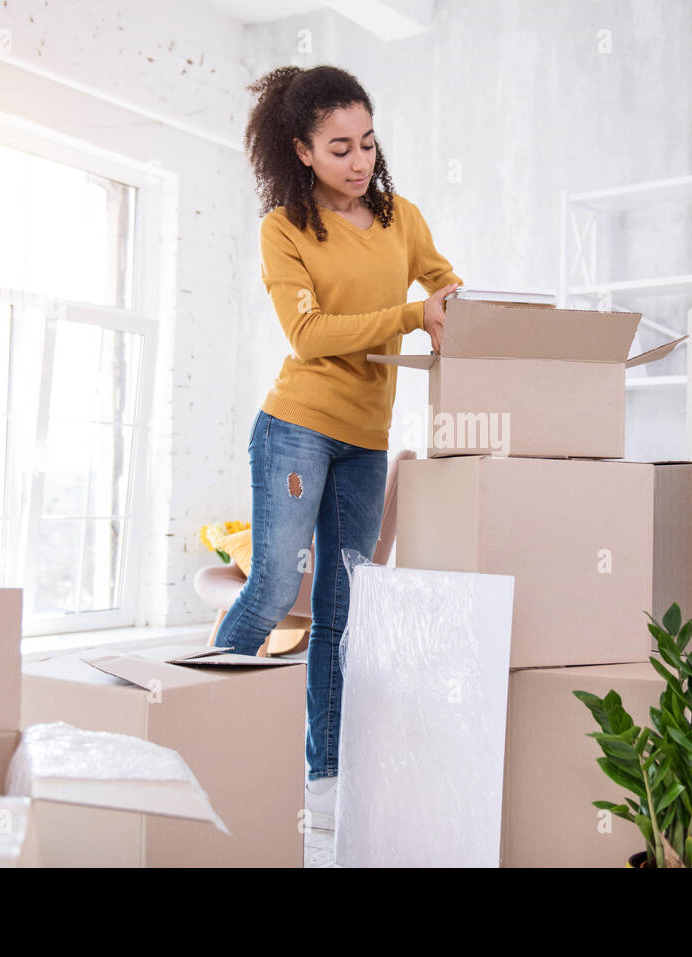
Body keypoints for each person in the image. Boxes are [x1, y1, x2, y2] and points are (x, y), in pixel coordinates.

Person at [217, 64, 463, 831]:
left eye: (367, 143)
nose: (359, 162)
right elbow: (309, 334)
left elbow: (448, 292)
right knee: (270, 590)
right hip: (296, 426)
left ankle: (322, 779)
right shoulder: (283, 231)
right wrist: (411, 315)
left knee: (342, 607)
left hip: (365, 439)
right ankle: (201, 738)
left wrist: (459, 309)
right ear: (301, 151)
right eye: (338, 148)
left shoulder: (402, 218)